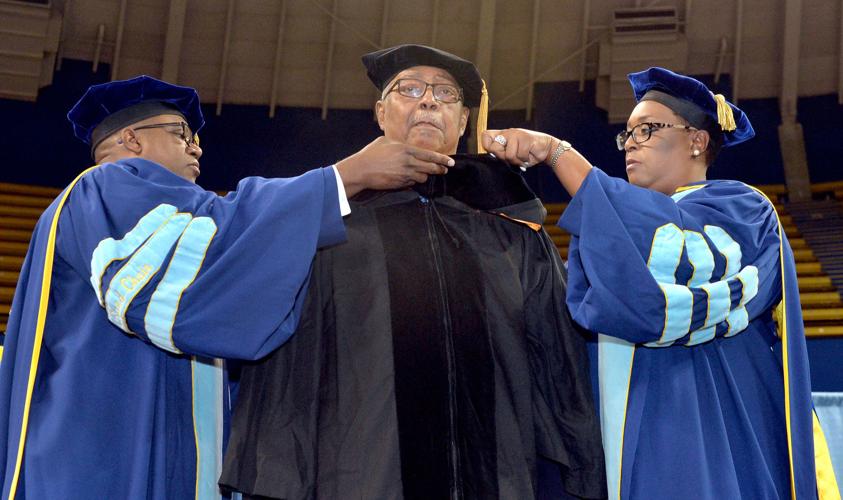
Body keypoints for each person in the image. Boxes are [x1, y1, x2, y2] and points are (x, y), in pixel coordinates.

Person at [0, 75, 456, 499]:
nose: (197, 148)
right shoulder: (104, 185)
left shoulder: (174, 210)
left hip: (166, 444)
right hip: (107, 452)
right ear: (132, 139)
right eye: (181, 132)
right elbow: (205, 263)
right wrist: (344, 177)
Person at [220, 44, 606, 499]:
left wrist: (582, 469)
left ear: (463, 122)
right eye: (411, 89)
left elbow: (560, 363)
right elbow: (279, 357)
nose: (429, 101)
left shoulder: (512, 228)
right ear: (381, 113)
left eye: (445, 93)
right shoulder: (325, 224)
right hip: (359, 474)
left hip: (493, 474)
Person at [481, 67, 840, 499]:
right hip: (631, 416)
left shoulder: (745, 209)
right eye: (628, 133)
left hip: (711, 421)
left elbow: (664, 268)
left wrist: (560, 154)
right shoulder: (620, 222)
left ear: (697, 140)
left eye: (648, 129)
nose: (631, 142)